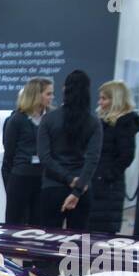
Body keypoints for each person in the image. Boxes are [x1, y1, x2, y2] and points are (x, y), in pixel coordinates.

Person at [37, 69, 101, 230]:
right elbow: (93, 159)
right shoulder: (93, 122)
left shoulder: (49, 119)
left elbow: (44, 157)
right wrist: (78, 187)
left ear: (65, 89)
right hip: (82, 188)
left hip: (52, 186)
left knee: (48, 241)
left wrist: (68, 178)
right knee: (79, 245)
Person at [89, 80, 139, 235]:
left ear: (116, 99)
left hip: (108, 187)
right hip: (97, 182)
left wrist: (105, 176)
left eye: (104, 98)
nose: (100, 102)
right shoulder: (102, 121)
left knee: (102, 233)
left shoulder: (124, 123)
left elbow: (126, 155)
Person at [1, 76, 53, 225]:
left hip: (44, 177)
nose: (52, 97)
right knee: (15, 222)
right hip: (21, 177)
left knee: (39, 221)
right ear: (36, 95)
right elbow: (9, 153)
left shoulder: (50, 118)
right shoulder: (16, 119)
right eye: (48, 94)